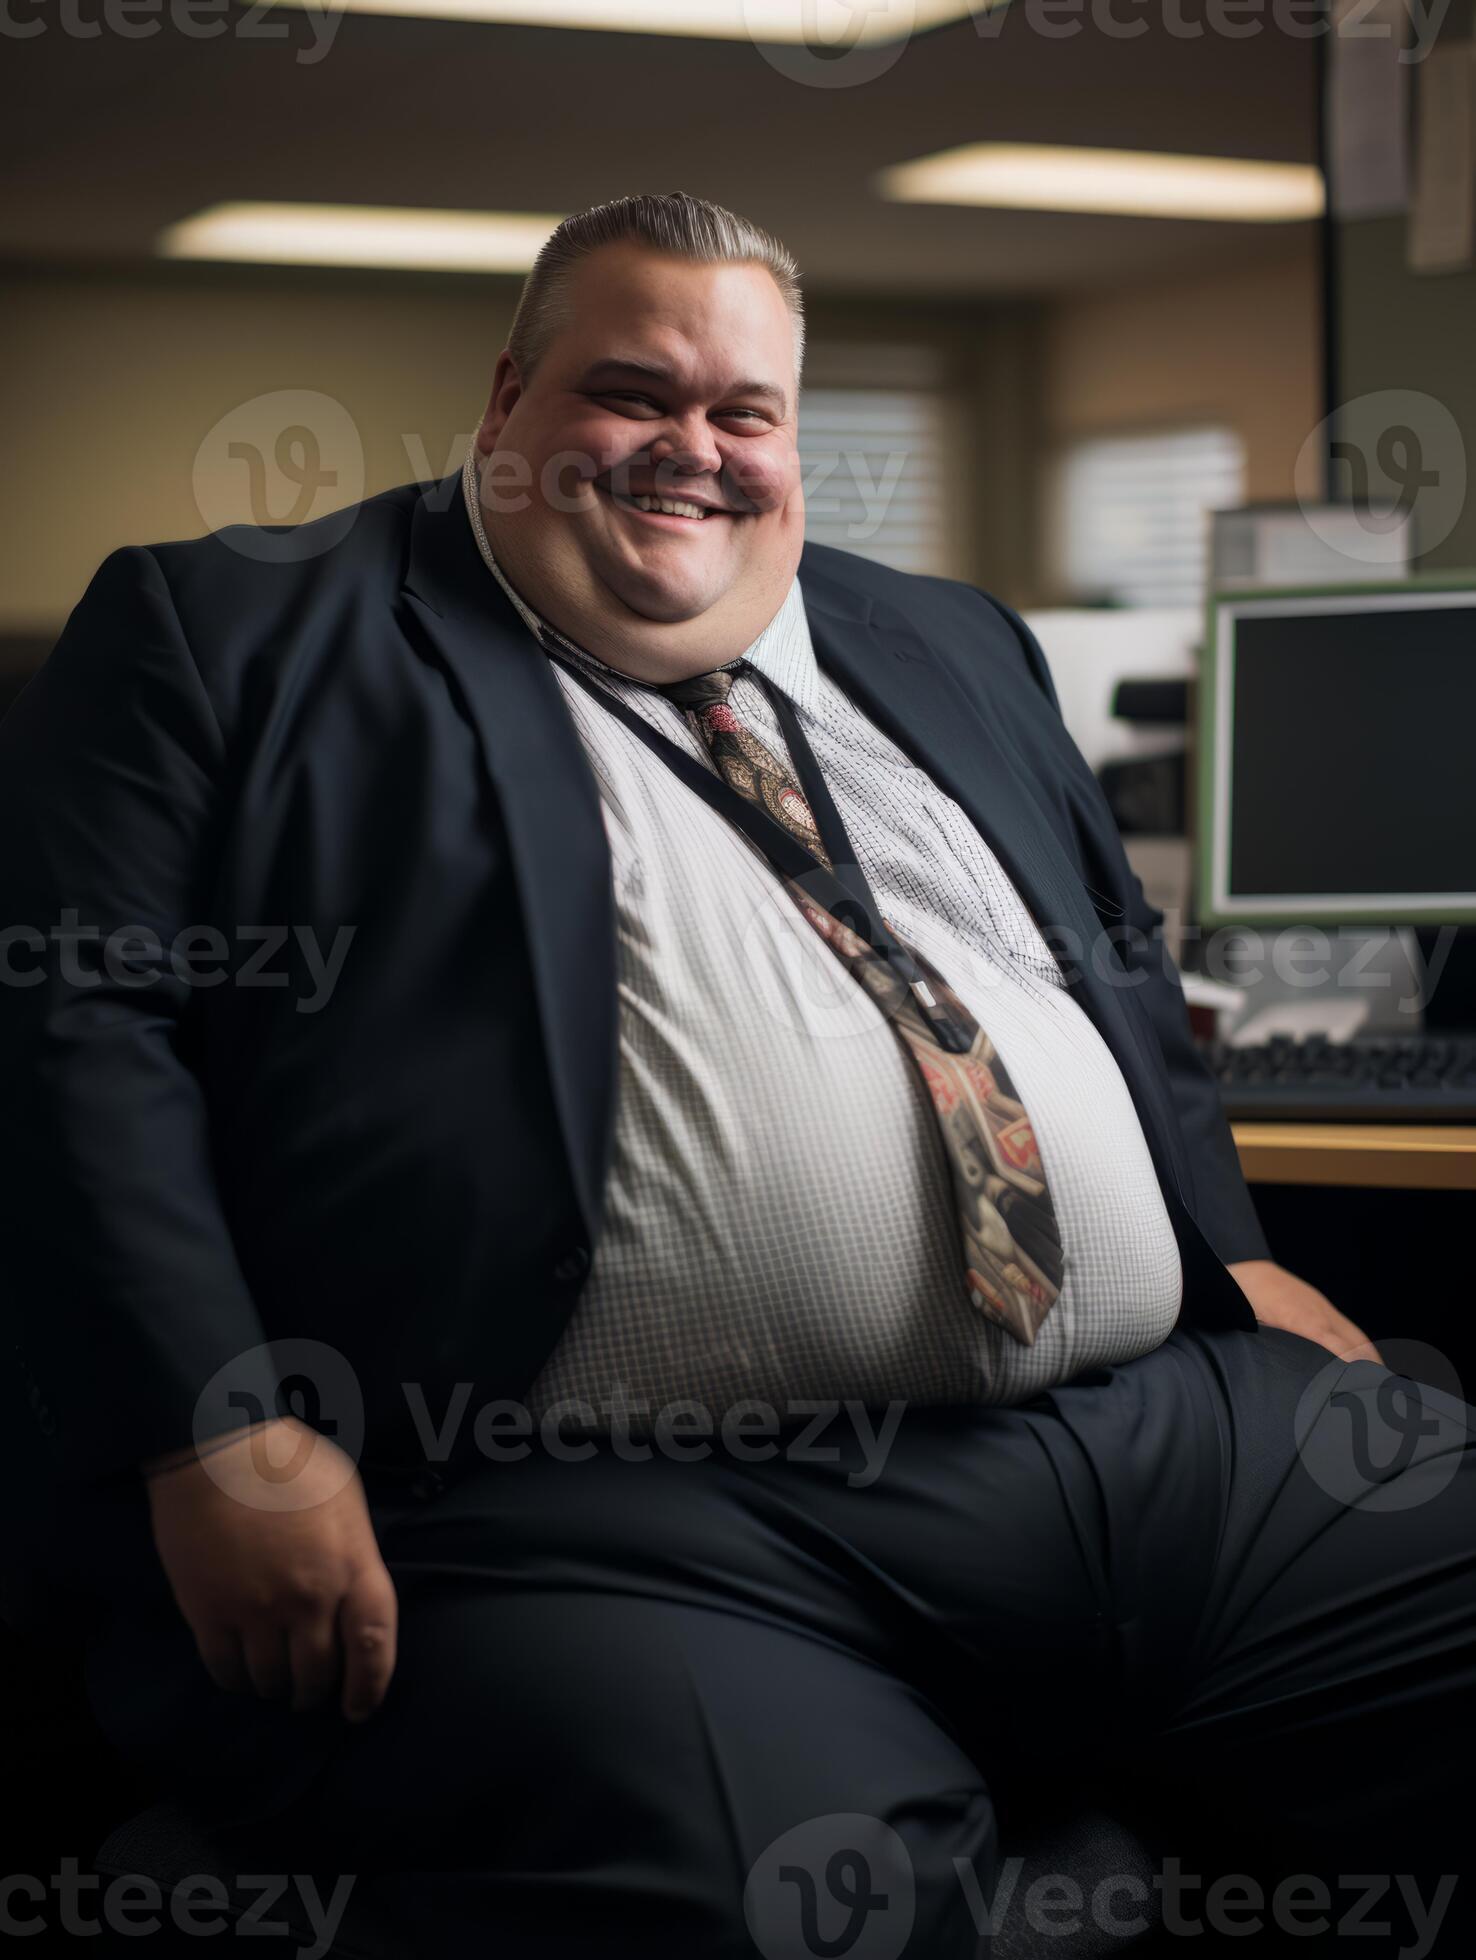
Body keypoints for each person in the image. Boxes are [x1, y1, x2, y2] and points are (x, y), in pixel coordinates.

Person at [0, 192, 1470, 1958]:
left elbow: (1110, 963)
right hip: (603, 1510)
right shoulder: (234, 634)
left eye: (746, 411)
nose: (693, 449)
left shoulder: (947, 638)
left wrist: (1231, 1249)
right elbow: (82, 1035)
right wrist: (212, 1428)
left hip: (1147, 1442)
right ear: (507, 400)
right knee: (800, 1913)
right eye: (631, 391)